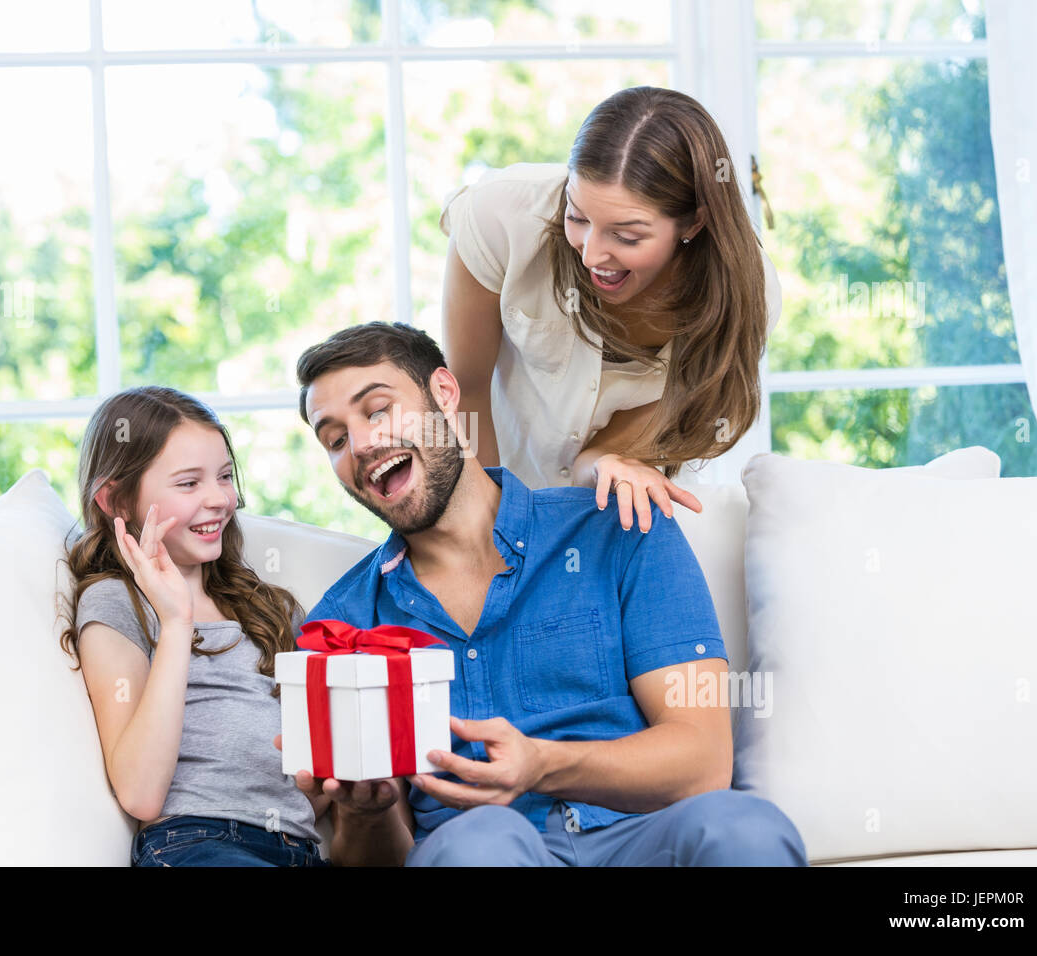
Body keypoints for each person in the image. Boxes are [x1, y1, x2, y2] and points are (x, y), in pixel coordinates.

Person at [289, 322, 806, 866]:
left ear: (444, 394)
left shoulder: (618, 526)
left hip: (640, 841)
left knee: (744, 828)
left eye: (377, 410)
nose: (363, 444)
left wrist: (542, 763)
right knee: (481, 843)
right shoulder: (343, 625)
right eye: (336, 439)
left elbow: (702, 760)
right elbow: (380, 856)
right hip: (478, 851)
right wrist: (368, 813)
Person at [440, 85, 783, 532]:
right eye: (577, 217)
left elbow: (598, 463)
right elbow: (465, 390)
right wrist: (487, 528)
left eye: (627, 236)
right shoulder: (501, 215)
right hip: (490, 493)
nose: (591, 255)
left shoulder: (742, 299)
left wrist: (612, 468)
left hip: (604, 521)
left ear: (694, 222)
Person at [59, 385, 329, 867]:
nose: (219, 499)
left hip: (298, 849)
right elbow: (141, 793)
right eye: (188, 484)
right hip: (198, 843)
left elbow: (308, 787)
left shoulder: (271, 610)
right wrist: (177, 621)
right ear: (115, 501)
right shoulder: (118, 603)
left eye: (225, 476)